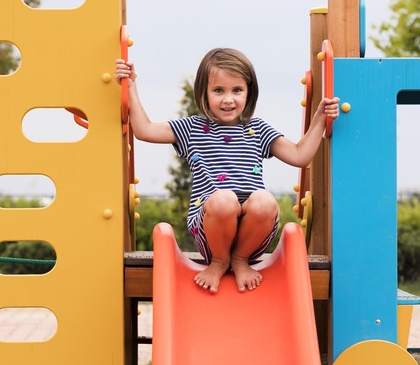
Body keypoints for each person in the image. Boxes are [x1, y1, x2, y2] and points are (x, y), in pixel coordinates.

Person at [115, 48, 338, 293]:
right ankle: (220, 262)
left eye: (237, 90)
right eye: (218, 90)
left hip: (253, 234)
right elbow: (145, 130)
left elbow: (299, 155)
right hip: (212, 227)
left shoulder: (257, 129)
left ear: (248, 92)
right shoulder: (193, 128)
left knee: (264, 200)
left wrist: (319, 118)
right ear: (204, 93)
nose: (228, 99)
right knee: (224, 199)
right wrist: (131, 86)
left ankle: (241, 260)